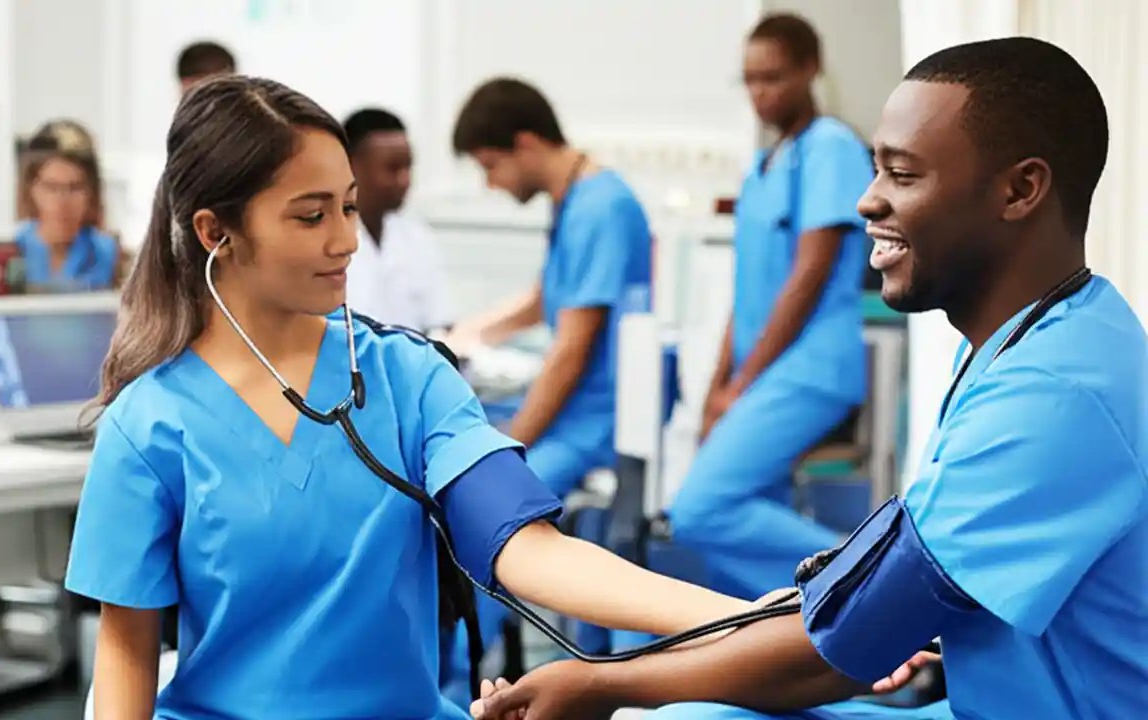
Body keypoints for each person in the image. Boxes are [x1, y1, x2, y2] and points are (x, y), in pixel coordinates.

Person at [472, 36, 1146, 720]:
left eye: (902, 175)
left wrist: (603, 682)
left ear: (1020, 189)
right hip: (973, 688)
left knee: (683, 671)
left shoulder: (1056, 394)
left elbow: (837, 653)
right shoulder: (1038, 341)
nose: (867, 203)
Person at [65, 75, 775, 720]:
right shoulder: (148, 427)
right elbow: (126, 653)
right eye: (312, 217)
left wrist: (743, 619)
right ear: (217, 232)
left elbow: (528, 549)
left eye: (348, 206)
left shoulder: (407, 374)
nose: (346, 239)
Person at [670, 13, 873, 603]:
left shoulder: (830, 147)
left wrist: (744, 383)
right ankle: (809, 645)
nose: (760, 94)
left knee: (699, 510)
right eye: (750, 80)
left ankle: (872, 584)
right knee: (752, 517)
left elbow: (808, 275)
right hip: (760, 372)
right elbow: (747, 291)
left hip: (809, 369)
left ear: (811, 69)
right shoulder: (762, 169)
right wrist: (717, 387)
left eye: (774, 78)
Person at [448, 77, 653, 500]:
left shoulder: (600, 208)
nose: (490, 184)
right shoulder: (573, 199)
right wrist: (466, 335)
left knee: (485, 499)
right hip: (574, 411)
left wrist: (503, 452)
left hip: (593, 426)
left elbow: (571, 350)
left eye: (490, 166)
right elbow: (545, 299)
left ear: (525, 144)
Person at [342, 107, 453, 332]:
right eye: (392, 168)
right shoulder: (327, 241)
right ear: (351, 167)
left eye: (408, 167)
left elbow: (441, 324)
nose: (405, 180)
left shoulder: (418, 239)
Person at [15, 119, 120, 292]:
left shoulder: (111, 257)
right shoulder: (12, 252)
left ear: (92, 191)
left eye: (75, 188)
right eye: (51, 187)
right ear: (31, 189)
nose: (62, 201)